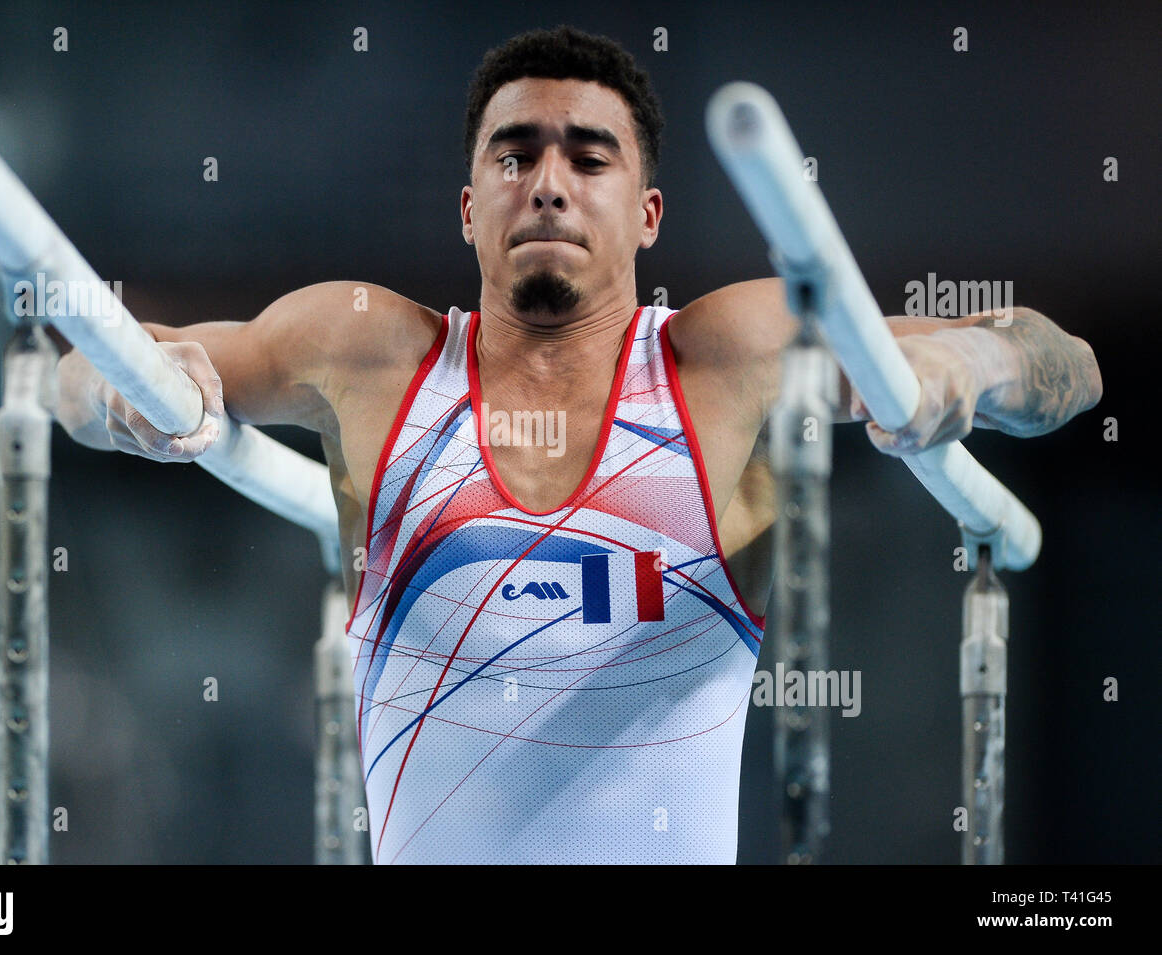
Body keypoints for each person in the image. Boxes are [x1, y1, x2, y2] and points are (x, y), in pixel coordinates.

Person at [55, 25, 1102, 863]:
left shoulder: (727, 358)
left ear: (647, 214)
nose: (546, 182)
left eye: (586, 157)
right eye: (514, 156)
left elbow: (1060, 361)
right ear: (469, 209)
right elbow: (91, 365)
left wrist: (971, 369)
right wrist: (126, 397)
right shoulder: (364, 347)